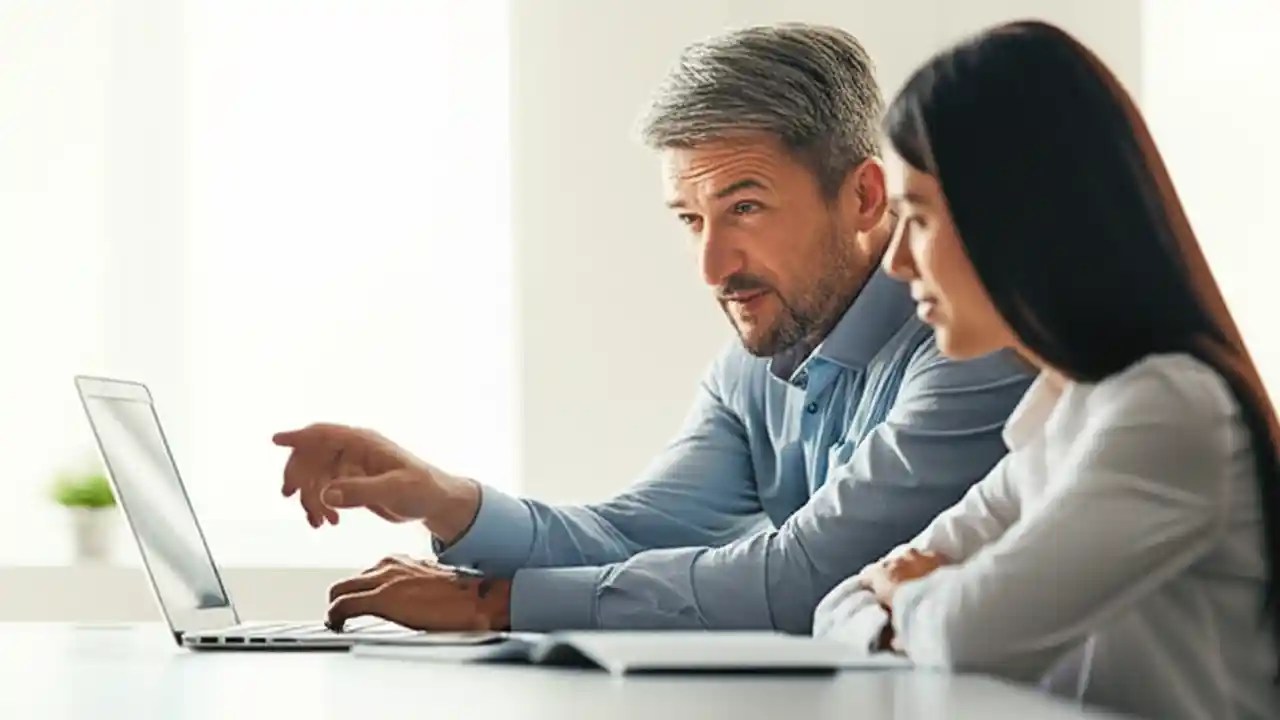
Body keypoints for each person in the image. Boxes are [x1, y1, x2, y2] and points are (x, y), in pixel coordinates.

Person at [274, 24, 1032, 634]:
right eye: (690, 219)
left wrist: (492, 605)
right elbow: (631, 536)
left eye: (745, 208)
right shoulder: (751, 369)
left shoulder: (971, 347)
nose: (712, 267)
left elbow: (807, 577)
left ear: (865, 196)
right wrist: (444, 499)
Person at [812, 20, 1280, 720]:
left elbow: (968, 631)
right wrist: (915, 598)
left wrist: (909, 597)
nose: (896, 262)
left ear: (1016, 214)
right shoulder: (1065, 412)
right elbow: (837, 607)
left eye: (921, 218)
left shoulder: (1169, 409)